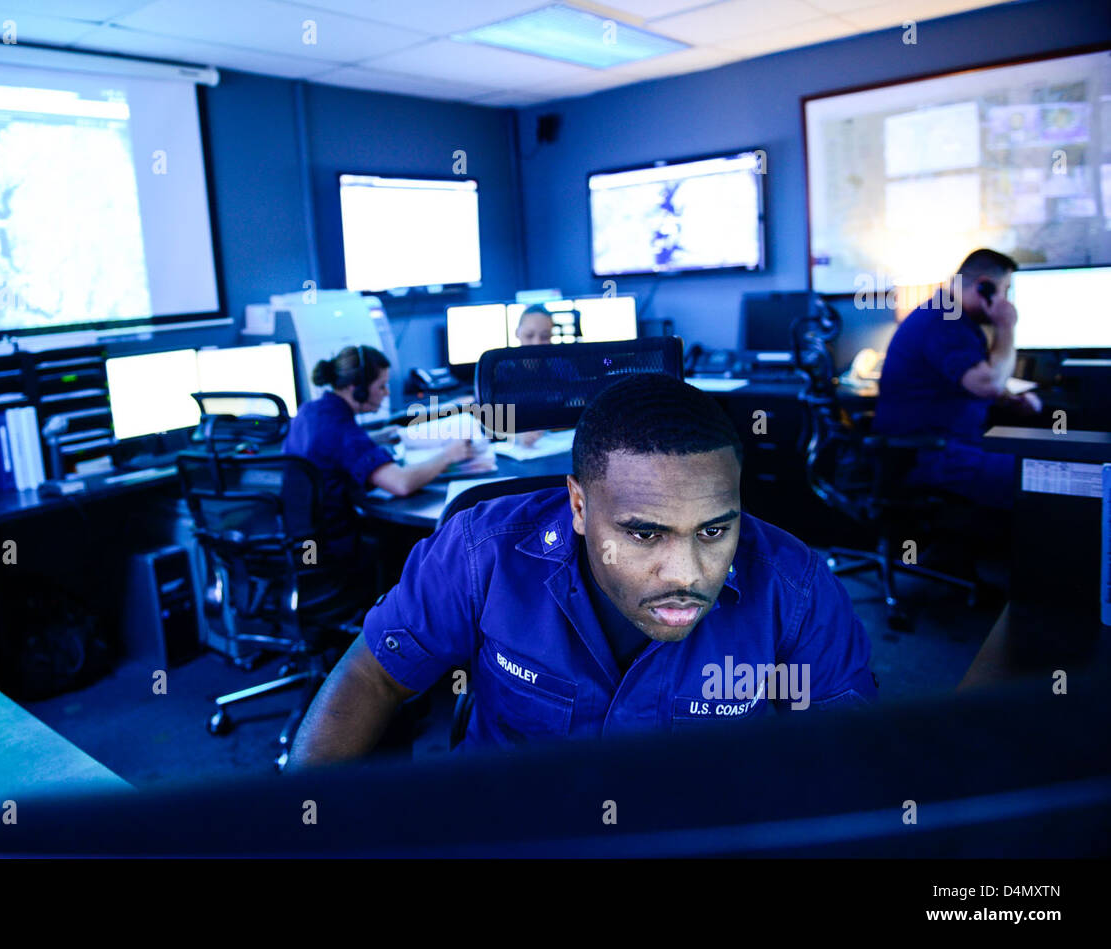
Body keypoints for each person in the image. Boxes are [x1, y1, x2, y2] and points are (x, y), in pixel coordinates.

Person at [288, 373, 877, 765]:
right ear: (578, 505)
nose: (688, 575)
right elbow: (375, 675)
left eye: (714, 530)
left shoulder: (794, 584)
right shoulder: (481, 552)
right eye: (645, 533)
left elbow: (849, 753)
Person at [874, 249, 1042, 509]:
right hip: (936, 456)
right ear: (984, 286)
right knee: (1041, 479)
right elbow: (989, 384)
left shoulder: (950, 316)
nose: (1008, 299)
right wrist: (1006, 326)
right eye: (1005, 289)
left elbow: (972, 385)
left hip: (948, 448)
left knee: (1038, 464)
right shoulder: (943, 320)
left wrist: (1009, 400)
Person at [283, 345, 472, 558]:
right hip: (331, 548)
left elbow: (327, 447)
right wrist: (449, 454)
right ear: (357, 388)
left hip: (304, 543)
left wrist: (375, 437)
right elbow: (401, 483)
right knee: (415, 544)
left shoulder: (310, 411)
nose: (387, 393)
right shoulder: (344, 432)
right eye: (381, 386)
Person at [512, 305, 554, 448]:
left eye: (545, 337)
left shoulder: (562, 367)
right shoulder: (500, 370)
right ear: (517, 333)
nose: (536, 343)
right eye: (529, 336)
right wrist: (513, 434)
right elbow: (485, 417)